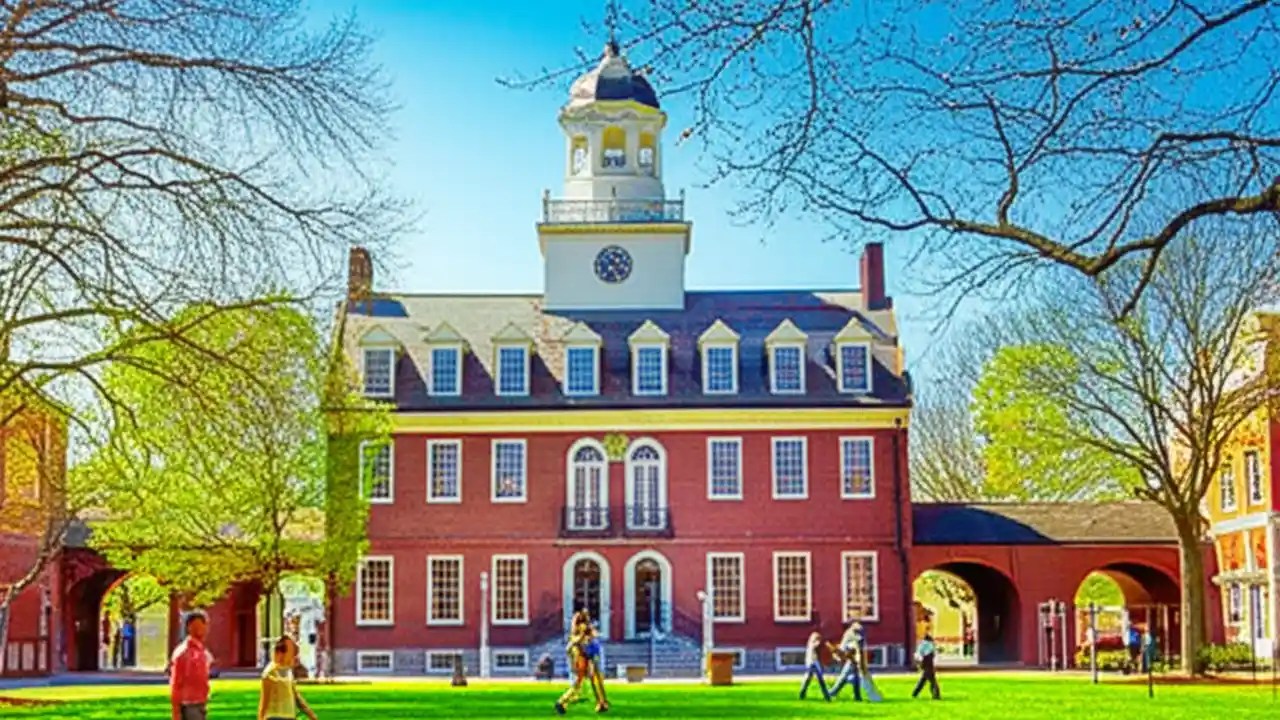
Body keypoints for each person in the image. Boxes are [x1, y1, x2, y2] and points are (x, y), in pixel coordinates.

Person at [259, 636, 317, 720]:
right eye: (291, 653)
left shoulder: (288, 672)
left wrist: (311, 715)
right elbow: (264, 703)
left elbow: (296, 698)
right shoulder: (269, 674)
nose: (293, 657)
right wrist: (260, 717)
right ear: (280, 653)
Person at [170, 610, 212, 720]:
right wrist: (176, 711)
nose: (201, 629)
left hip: (200, 703)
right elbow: (176, 683)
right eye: (195, 625)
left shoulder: (202, 651)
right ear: (188, 627)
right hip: (189, 705)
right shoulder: (183, 652)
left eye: (202, 625)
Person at [826, 622, 863, 701]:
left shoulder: (853, 635)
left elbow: (856, 647)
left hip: (852, 658)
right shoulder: (851, 635)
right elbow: (849, 647)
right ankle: (833, 692)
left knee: (851, 677)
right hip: (850, 657)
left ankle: (856, 696)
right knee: (847, 676)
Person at [798, 631, 830, 701]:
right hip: (813, 664)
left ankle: (802, 694)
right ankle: (827, 697)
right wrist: (825, 643)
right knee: (820, 681)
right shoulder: (812, 644)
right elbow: (816, 645)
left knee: (807, 680)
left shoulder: (810, 645)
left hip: (811, 663)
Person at [912, 633, 941, 700]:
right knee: (933, 681)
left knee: (923, 679)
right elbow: (933, 654)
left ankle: (915, 693)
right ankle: (936, 695)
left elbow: (917, 655)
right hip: (929, 663)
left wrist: (919, 664)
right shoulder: (930, 645)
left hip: (923, 663)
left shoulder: (921, 645)